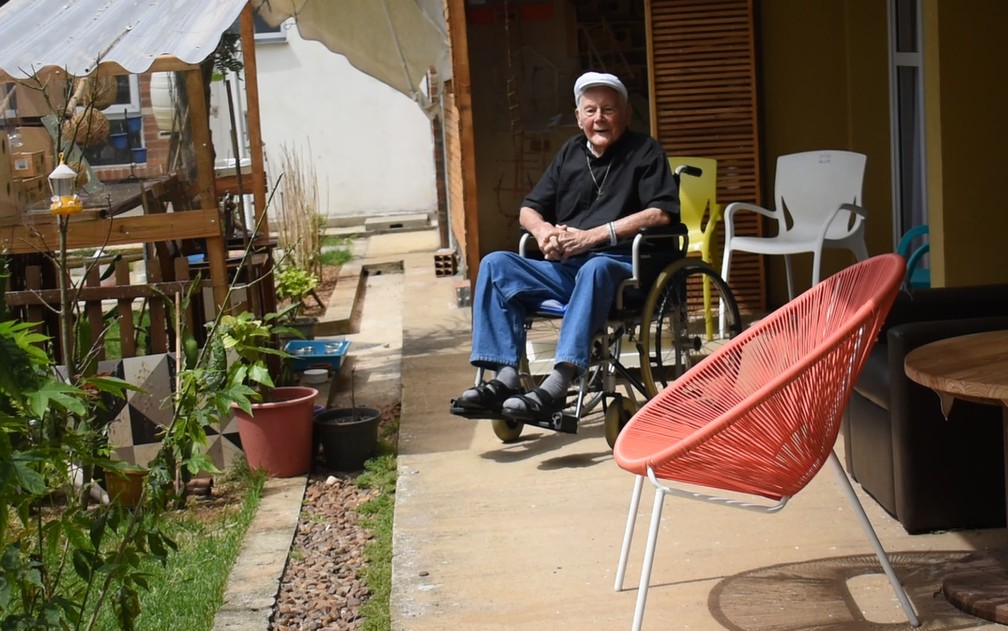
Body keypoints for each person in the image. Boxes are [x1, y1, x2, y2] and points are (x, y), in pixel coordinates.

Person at [450, 71, 680, 425]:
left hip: (622, 268)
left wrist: (593, 236)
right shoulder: (571, 152)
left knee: (596, 267)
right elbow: (528, 209)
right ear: (578, 116)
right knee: (496, 264)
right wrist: (543, 231)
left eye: (608, 110)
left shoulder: (645, 151)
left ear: (626, 114)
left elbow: (660, 213)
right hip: (567, 267)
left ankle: (557, 385)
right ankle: (505, 379)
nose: (599, 118)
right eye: (590, 110)